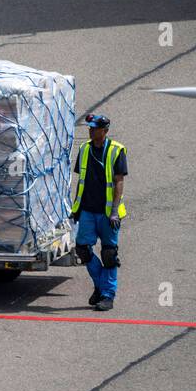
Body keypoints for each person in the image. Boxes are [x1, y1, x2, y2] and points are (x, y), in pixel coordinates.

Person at [70, 113, 128, 312]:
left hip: (107, 212)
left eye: (95, 128)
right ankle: (101, 285)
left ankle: (108, 295)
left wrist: (114, 211)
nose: (91, 130)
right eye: (90, 128)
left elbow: (119, 181)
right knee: (83, 250)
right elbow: (82, 180)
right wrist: (76, 208)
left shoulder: (116, 150)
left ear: (105, 131)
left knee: (109, 254)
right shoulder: (85, 148)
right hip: (87, 209)